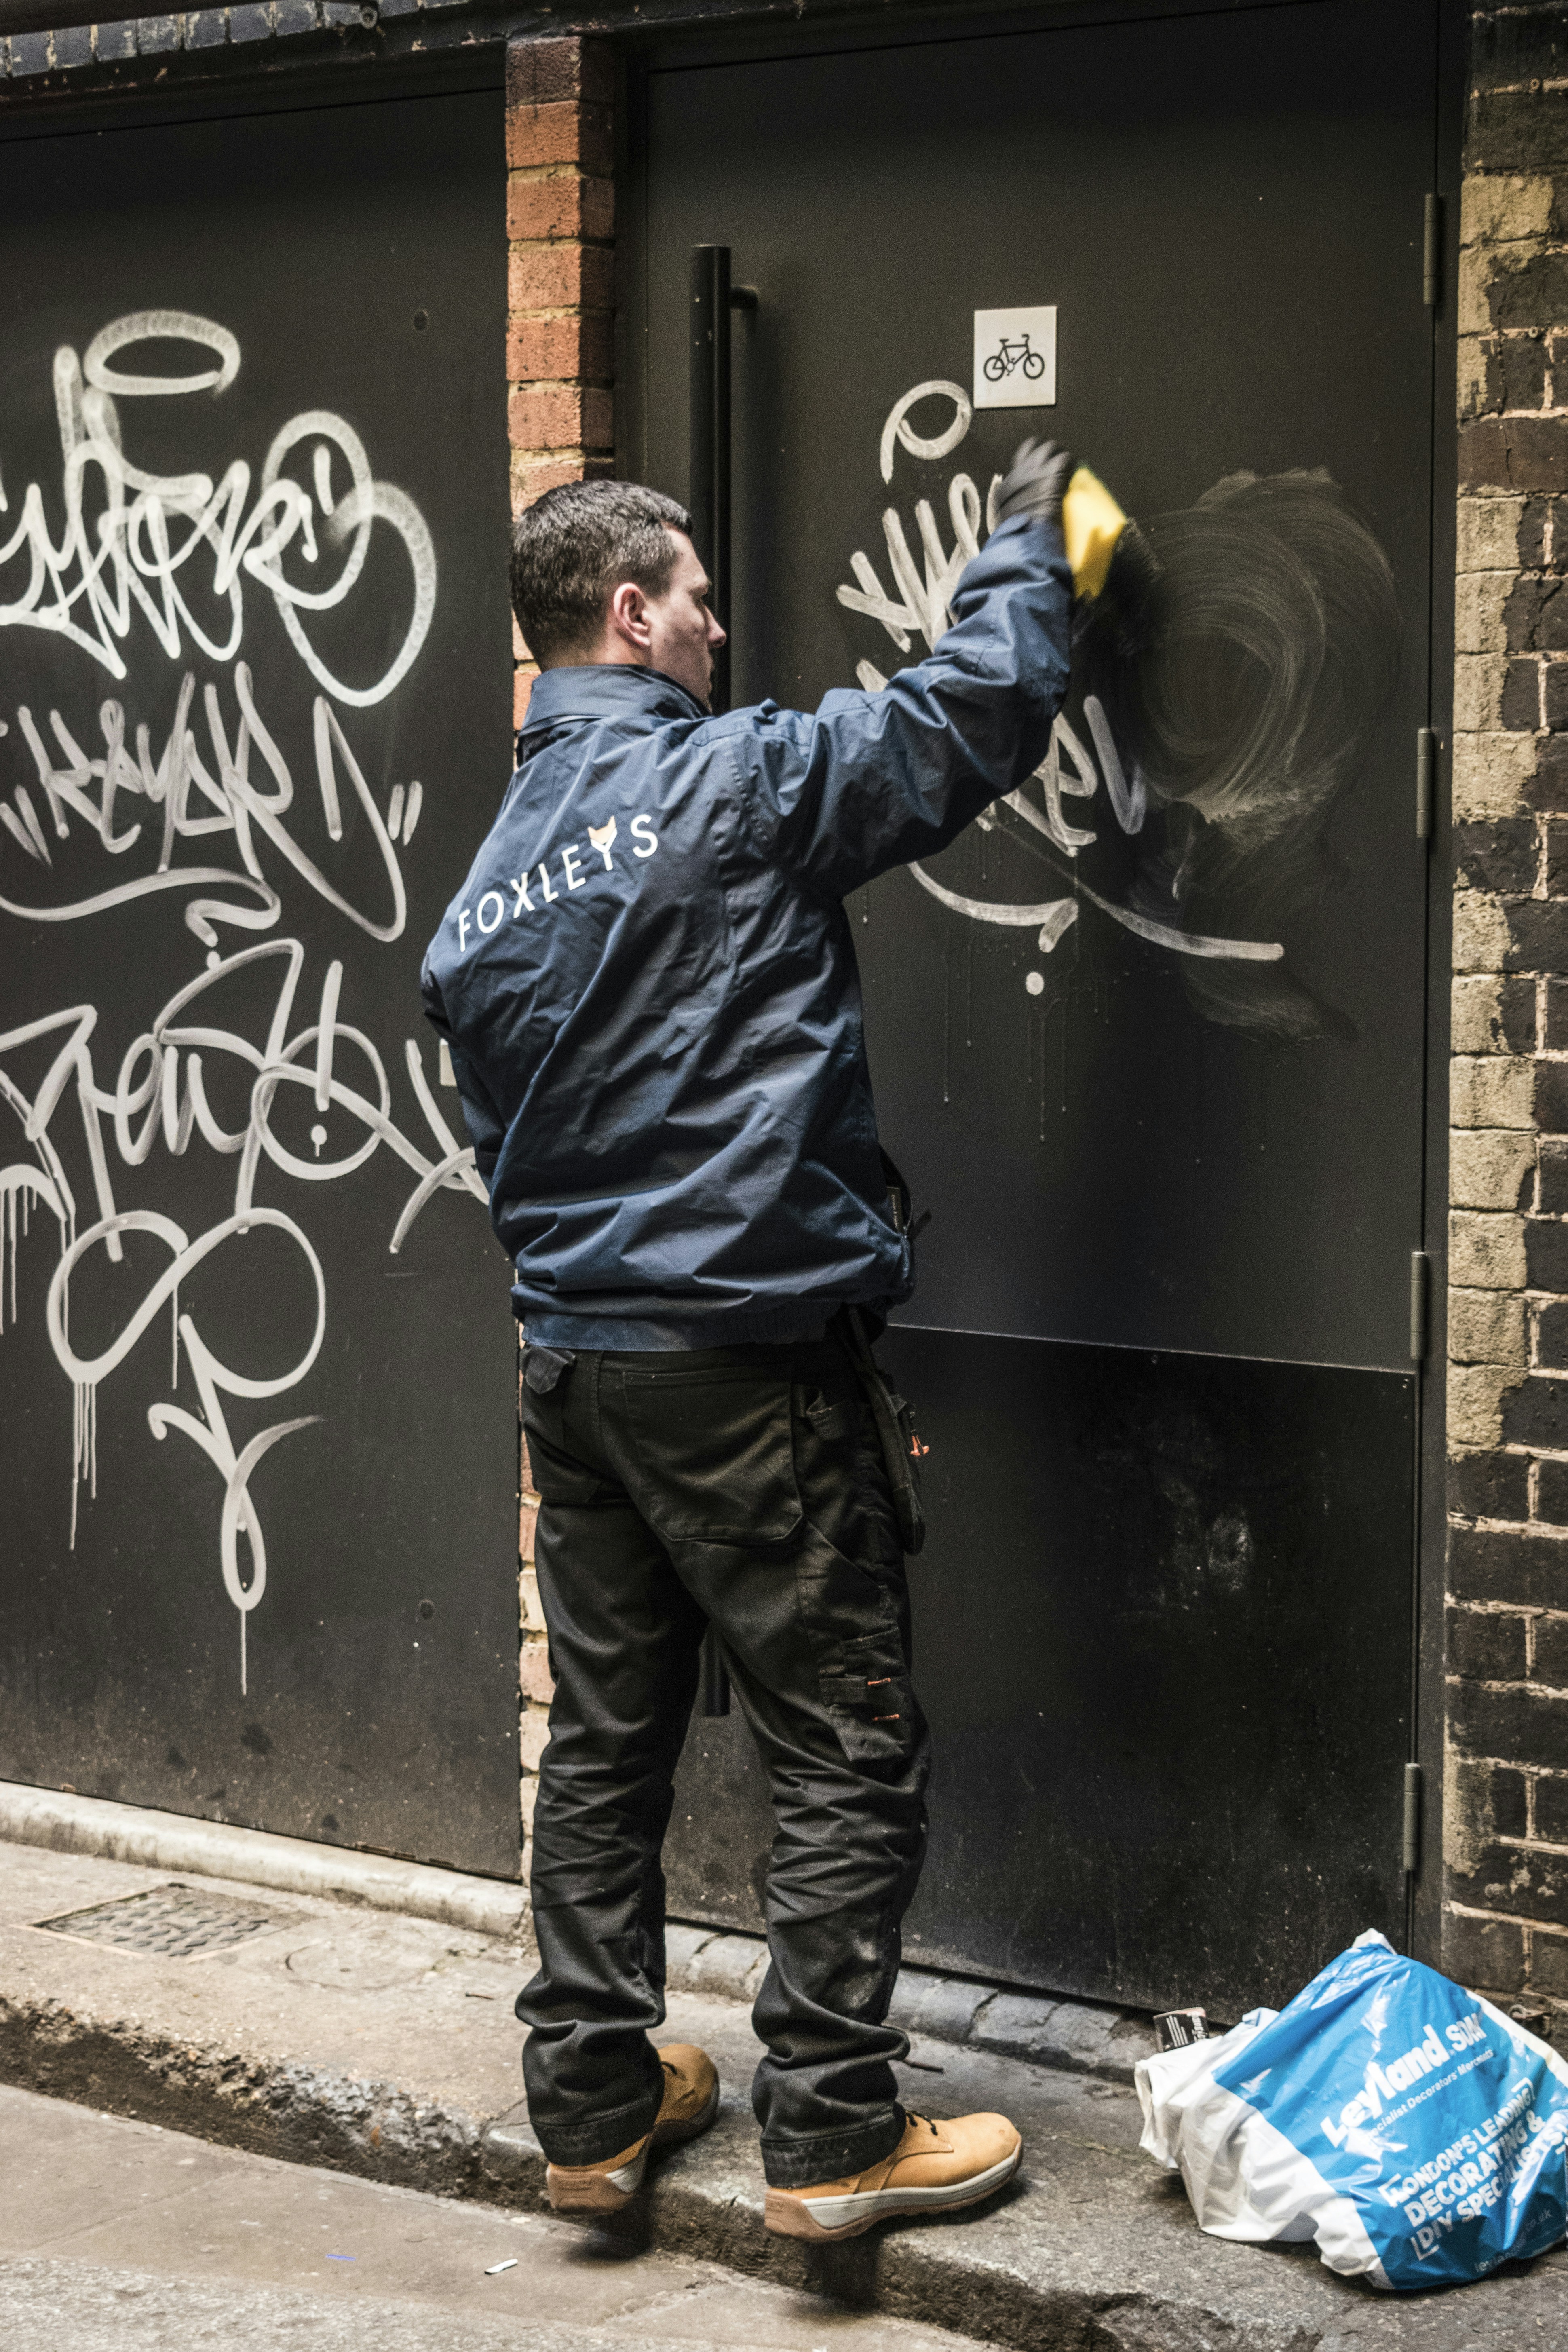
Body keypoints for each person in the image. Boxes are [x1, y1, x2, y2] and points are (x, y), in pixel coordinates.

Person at [420, 440, 1075, 2242]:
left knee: (606, 1742)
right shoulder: (732, 780)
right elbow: (967, 715)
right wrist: (1029, 545)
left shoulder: (480, 897)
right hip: (746, 1369)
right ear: (628, 615)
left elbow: (507, 1144)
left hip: (577, 1369)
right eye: (698, 598)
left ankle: (594, 2110)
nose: (720, 624)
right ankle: (833, 2139)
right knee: (843, 1738)